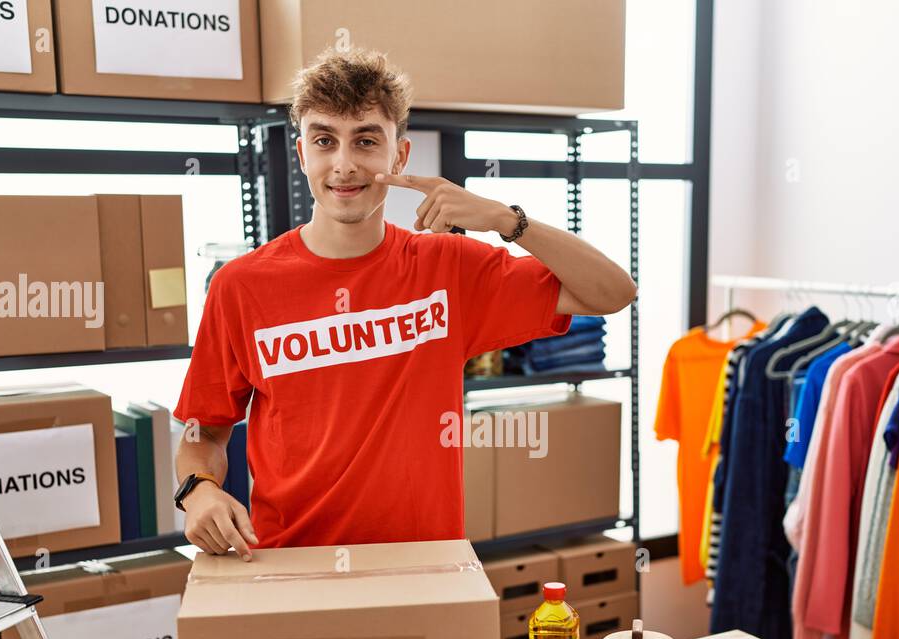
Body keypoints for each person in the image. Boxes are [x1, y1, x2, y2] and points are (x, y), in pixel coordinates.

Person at [172, 47, 637, 560]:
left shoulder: (449, 268)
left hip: (426, 563)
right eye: (324, 141)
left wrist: (507, 219)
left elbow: (613, 292)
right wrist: (199, 491)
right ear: (302, 154)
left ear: (399, 156)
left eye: (366, 141)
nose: (344, 164)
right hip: (292, 562)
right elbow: (203, 431)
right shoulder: (241, 285)